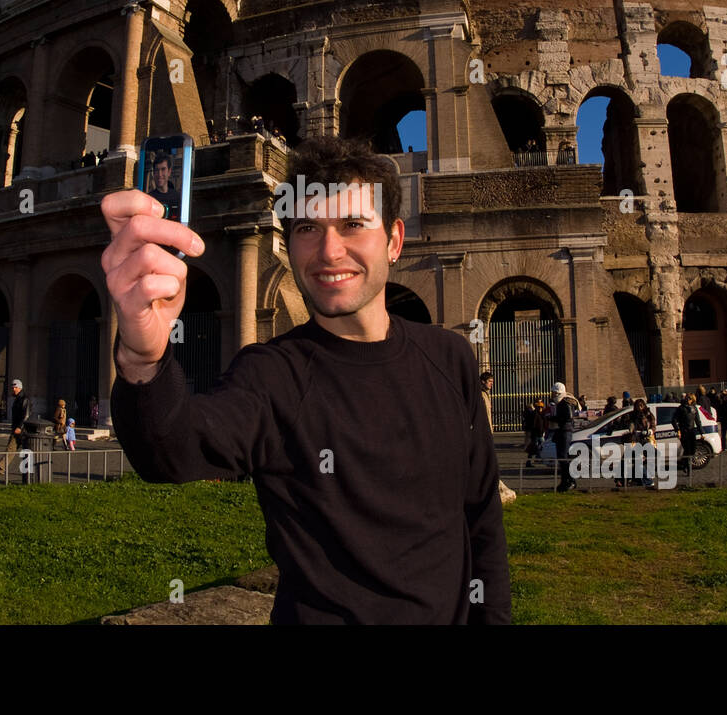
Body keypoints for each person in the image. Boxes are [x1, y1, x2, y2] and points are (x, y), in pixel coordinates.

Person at [103, 135, 509, 623]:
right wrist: (143, 357)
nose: (329, 250)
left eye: (353, 225)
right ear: (288, 243)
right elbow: (171, 449)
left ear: (395, 240)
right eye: (308, 228)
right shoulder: (271, 376)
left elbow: (481, 515)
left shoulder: (450, 358)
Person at [0, 379, 31, 475]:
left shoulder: (24, 399)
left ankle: (2, 467)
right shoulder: (17, 399)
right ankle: (1, 467)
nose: (13, 389)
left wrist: (19, 427)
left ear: (20, 388)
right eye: (13, 387)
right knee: (11, 448)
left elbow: (26, 415)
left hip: (22, 430)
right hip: (16, 428)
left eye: (15, 387)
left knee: (27, 450)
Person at [551, 382, 580, 492]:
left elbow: (568, 417)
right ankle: (565, 480)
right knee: (561, 457)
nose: (552, 395)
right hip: (563, 431)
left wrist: (553, 419)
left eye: (554, 393)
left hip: (565, 431)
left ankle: (570, 480)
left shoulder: (565, 402)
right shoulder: (562, 402)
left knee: (563, 458)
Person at [627, 398, 656, 487]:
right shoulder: (633, 416)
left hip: (647, 439)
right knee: (638, 460)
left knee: (642, 461)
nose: (639, 408)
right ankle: (644, 480)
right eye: (637, 406)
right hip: (637, 440)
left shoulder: (648, 414)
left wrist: (650, 431)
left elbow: (653, 425)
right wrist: (633, 431)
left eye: (641, 406)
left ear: (643, 406)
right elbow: (631, 427)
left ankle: (645, 480)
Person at [145, 152, 183, 221]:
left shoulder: (177, 197)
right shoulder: (149, 199)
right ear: (153, 173)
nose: (159, 174)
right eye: (157, 170)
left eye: (163, 169)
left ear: (169, 172)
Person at [672, 393, 702, 474]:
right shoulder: (681, 408)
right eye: (688, 399)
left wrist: (701, 432)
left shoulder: (693, 408)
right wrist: (677, 430)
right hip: (684, 431)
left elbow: (697, 421)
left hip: (692, 431)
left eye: (690, 399)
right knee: (688, 449)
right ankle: (688, 468)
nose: (689, 400)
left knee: (693, 449)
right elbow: (674, 420)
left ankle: (684, 463)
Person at [479, 372, 494, 436]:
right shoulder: (480, 395)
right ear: (483, 381)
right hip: (482, 430)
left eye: (492, 381)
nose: (492, 383)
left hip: (487, 430)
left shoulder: (486, 394)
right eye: (489, 381)